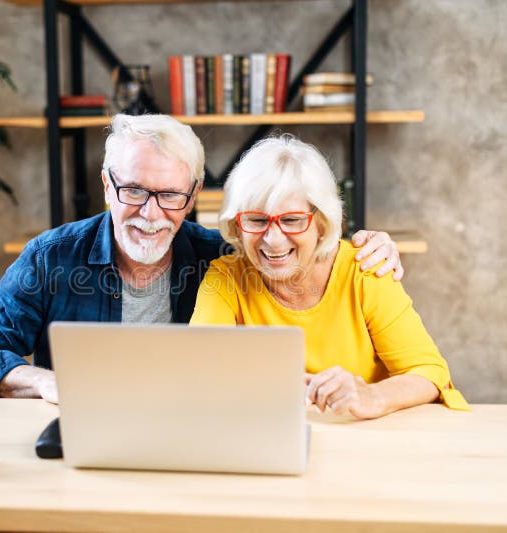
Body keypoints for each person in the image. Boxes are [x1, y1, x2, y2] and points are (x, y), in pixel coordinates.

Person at [0, 114, 404, 403]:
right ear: (106, 186)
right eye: (133, 190)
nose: (150, 214)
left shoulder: (220, 258)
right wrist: (45, 382)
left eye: (170, 195)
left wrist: (366, 245)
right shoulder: (50, 257)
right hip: (78, 435)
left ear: (192, 196)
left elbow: (291, 251)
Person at [189, 135, 469, 418]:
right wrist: (268, 386)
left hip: (367, 439)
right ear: (237, 225)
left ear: (322, 223)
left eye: (291, 220)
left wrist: (373, 395)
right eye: (257, 220)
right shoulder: (225, 277)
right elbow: (200, 369)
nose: (272, 239)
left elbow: (430, 372)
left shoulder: (365, 269)